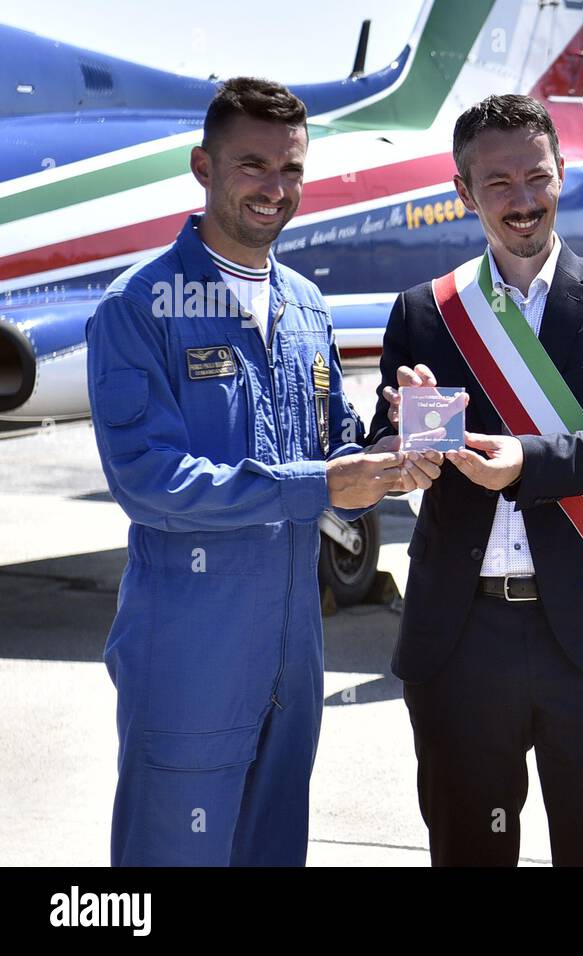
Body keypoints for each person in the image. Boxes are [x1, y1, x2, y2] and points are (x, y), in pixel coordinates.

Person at [86, 77, 434, 866]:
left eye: (292, 170)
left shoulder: (306, 304)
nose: (276, 189)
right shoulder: (139, 306)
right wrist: (320, 486)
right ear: (202, 168)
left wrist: (392, 442)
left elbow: (329, 442)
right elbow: (151, 480)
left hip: (293, 651)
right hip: (189, 651)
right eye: (253, 166)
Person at [369, 94, 583, 866]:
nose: (523, 199)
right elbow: (387, 449)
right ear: (463, 193)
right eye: (497, 183)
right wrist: (405, 454)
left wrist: (525, 463)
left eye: (536, 176)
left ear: (563, 175)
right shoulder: (426, 312)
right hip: (461, 636)